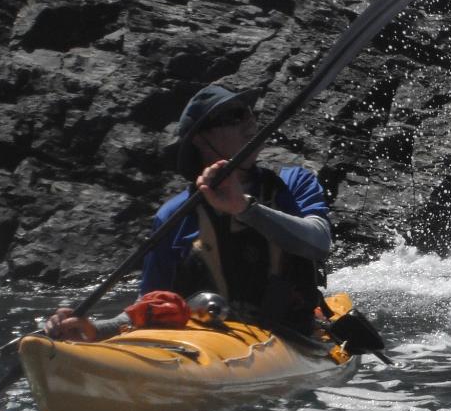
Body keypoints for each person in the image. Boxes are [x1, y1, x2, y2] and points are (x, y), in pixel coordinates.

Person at [46, 83, 332, 340]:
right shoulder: (173, 215)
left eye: (248, 112)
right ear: (199, 139)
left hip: (294, 333)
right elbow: (152, 304)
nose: (249, 122)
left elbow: (318, 244)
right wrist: (95, 329)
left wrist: (244, 208)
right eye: (233, 117)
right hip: (213, 339)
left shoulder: (293, 182)